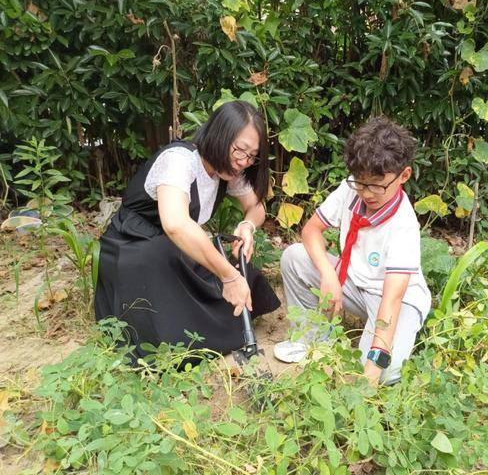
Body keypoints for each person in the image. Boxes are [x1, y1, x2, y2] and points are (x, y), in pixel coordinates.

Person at [95, 100, 280, 359]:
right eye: (240, 150)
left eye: (252, 156)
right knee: (173, 328)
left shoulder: (228, 169)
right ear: (218, 135)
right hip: (136, 249)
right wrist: (228, 277)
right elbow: (176, 224)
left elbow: (256, 207)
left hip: (175, 249)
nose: (243, 161)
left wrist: (247, 225)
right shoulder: (179, 161)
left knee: (240, 272)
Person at [273, 116, 430, 386]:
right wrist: (328, 275)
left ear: (404, 175)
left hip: (395, 299)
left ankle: (393, 336)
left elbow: (392, 300)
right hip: (355, 283)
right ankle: (310, 341)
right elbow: (311, 230)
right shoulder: (352, 189)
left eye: (377, 184)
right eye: (360, 181)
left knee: (386, 371)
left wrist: (371, 372)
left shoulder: (403, 226)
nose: (366, 193)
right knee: (294, 257)